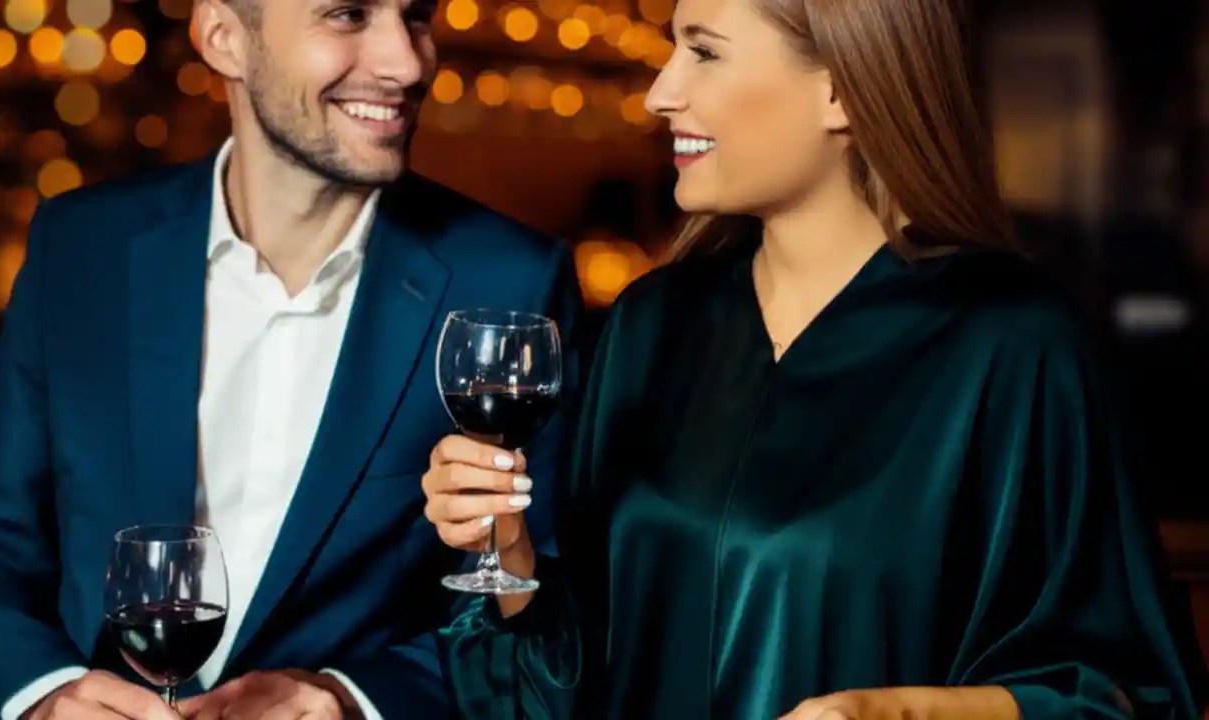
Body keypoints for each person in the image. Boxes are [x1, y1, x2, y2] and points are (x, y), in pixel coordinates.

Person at [420, 0, 1209, 717]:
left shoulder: (1011, 344)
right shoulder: (651, 325)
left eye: (704, 52)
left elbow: (1124, 697)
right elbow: (576, 681)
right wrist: (511, 556)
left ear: (842, 91)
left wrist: (896, 714)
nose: (661, 92)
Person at [0, 0, 578, 718]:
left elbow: (539, 611)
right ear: (224, 38)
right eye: (348, 15)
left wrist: (355, 699)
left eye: (417, 15)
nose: (407, 61)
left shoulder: (512, 282)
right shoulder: (81, 246)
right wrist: (46, 699)